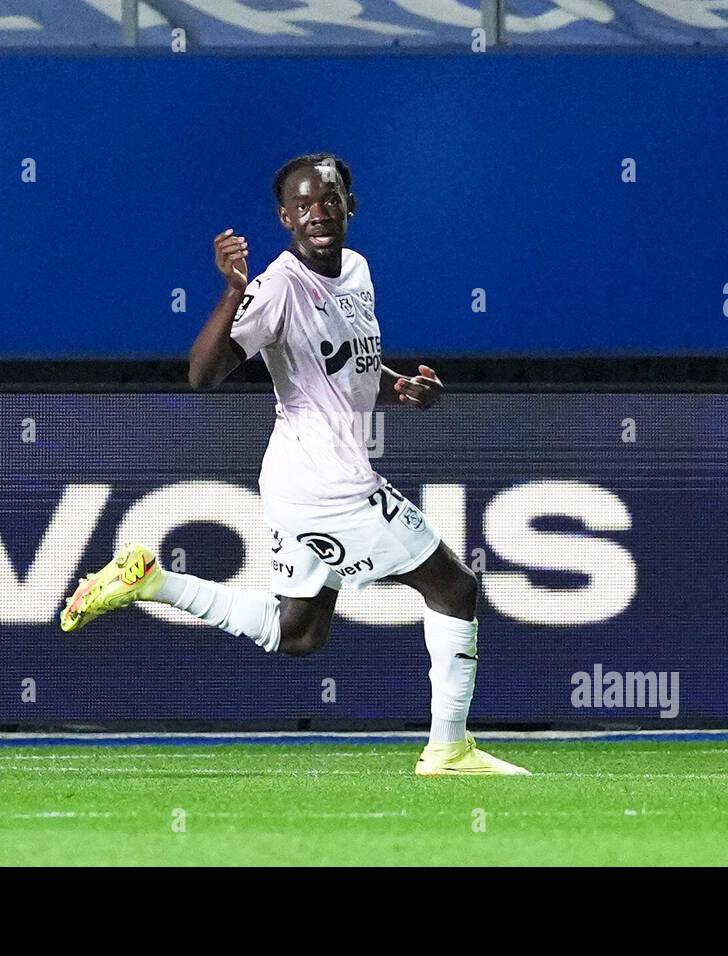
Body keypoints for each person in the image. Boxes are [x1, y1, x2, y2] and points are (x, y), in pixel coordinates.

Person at [61, 153, 528, 776]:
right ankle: (448, 750)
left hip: (294, 481)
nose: (317, 214)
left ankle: (152, 580)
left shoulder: (357, 272)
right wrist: (233, 292)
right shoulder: (277, 287)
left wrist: (399, 388)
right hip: (328, 485)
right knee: (454, 587)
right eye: (302, 206)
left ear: (349, 205)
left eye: (328, 200)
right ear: (284, 219)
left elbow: (349, 372)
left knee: (299, 631)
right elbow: (203, 374)